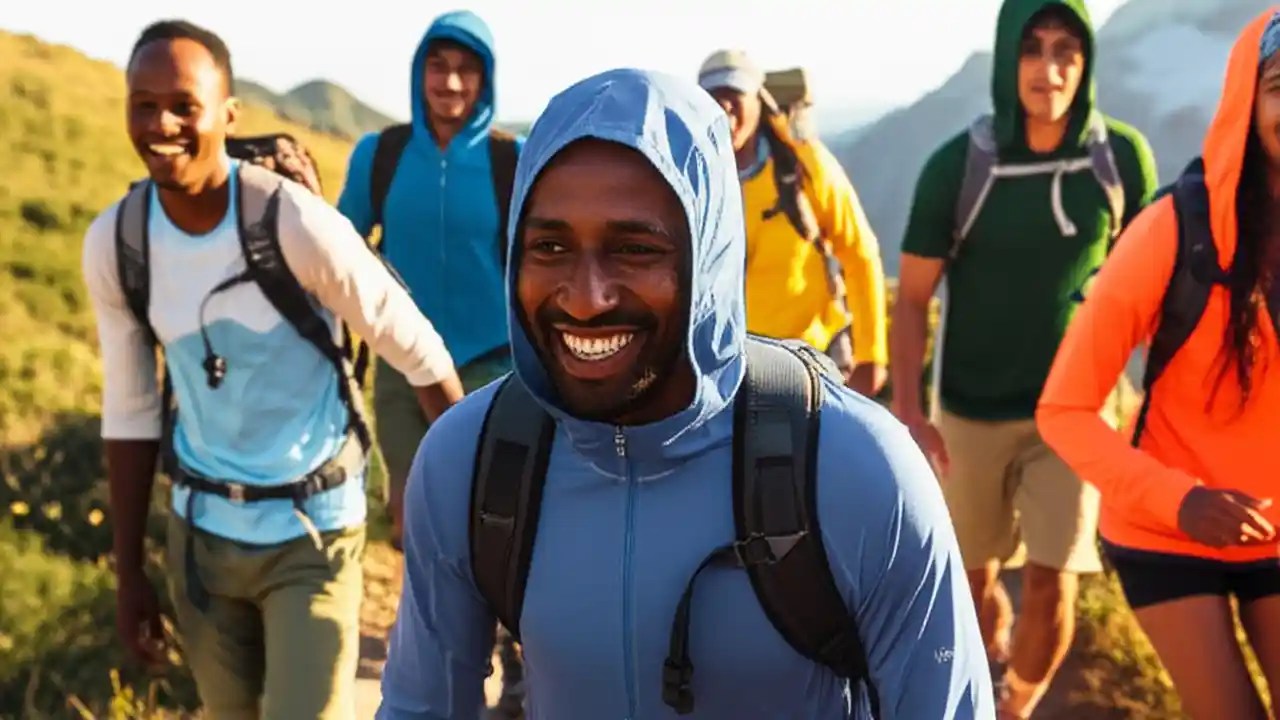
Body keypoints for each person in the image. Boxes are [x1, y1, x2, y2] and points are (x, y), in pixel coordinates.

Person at [376, 66, 993, 719]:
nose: (587, 298)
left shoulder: (856, 471)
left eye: (635, 249)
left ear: (709, 256)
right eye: (550, 246)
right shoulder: (471, 462)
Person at [82, 19, 463, 719]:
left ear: (227, 115)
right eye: (143, 104)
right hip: (201, 538)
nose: (161, 123)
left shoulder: (291, 222)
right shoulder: (119, 240)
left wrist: (469, 515)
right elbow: (131, 409)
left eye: (183, 106)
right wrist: (129, 569)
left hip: (312, 531)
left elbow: (417, 349)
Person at [889, 0, 1159, 717]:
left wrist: (1145, 397)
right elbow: (912, 297)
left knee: (1053, 581)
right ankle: (990, 649)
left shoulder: (1120, 159)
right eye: (1032, 49)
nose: (1050, 68)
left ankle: (1015, 705)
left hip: (1074, 415)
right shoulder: (959, 167)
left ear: (1087, 61)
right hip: (971, 412)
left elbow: (1152, 283)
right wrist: (912, 413)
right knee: (973, 587)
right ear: (1009, 61)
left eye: (1067, 49)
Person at [1037, 8, 1280, 720]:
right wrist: (1182, 501)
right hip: (1164, 528)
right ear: (1246, 98)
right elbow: (1063, 410)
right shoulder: (1175, 230)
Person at [334, 11, 527, 713]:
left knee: (503, 518)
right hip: (400, 371)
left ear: (486, 80)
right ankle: (447, 670)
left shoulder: (513, 161)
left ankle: (517, 658)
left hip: (495, 368)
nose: (450, 82)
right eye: (437, 66)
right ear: (419, 73)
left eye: (466, 69)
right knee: (418, 520)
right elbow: (343, 249)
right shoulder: (378, 155)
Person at [696, 49, 889, 398]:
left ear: (759, 101)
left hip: (813, 362)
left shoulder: (805, 168)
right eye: (713, 96)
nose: (724, 106)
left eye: (734, 94)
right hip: (725, 371)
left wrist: (871, 356)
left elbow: (860, 254)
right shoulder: (694, 179)